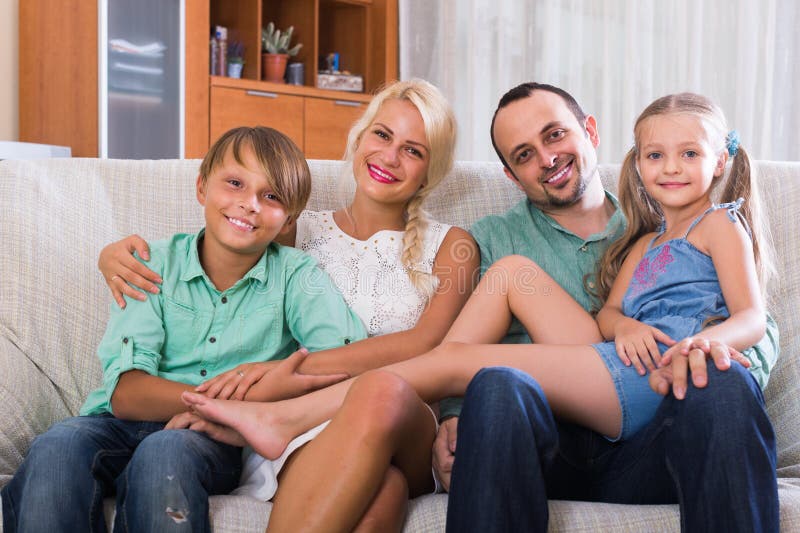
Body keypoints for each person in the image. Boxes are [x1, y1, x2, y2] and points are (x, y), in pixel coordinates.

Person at [172, 91, 779, 533]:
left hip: (654, 409)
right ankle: (309, 415)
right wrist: (450, 419)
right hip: (550, 420)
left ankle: (292, 416)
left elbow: (755, 320)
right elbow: (605, 322)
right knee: (493, 355)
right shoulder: (494, 239)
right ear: (510, 174)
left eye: (555, 135)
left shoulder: (655, 221)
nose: (545, 158)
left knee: (717, 384)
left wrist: (707, 345)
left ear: (589, 131)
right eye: (522, 154)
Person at [97, 79, 479, 531]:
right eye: (382, 134)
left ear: (430, 171)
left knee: (381, 390)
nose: (390, 157)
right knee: (385, 492)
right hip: (313, 426)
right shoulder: (295, 227)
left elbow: (427, 343)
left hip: (406, 425)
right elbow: (220, 242)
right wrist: (113, 255)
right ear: (359, 137)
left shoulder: (453, 245)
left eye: (414, 150)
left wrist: (283, 376)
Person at [1, 126, 369, 533]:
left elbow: (345, 360)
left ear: (288, 222)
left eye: (272, 196)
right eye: (235, 183)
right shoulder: (150, 263)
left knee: (164, 453)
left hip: (210, 440)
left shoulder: (296, 275)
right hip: (117, 424)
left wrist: (249, 404)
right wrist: (224, 401)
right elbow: (126, 395)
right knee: (56, 446)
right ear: (201, 188)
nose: (249, 205)